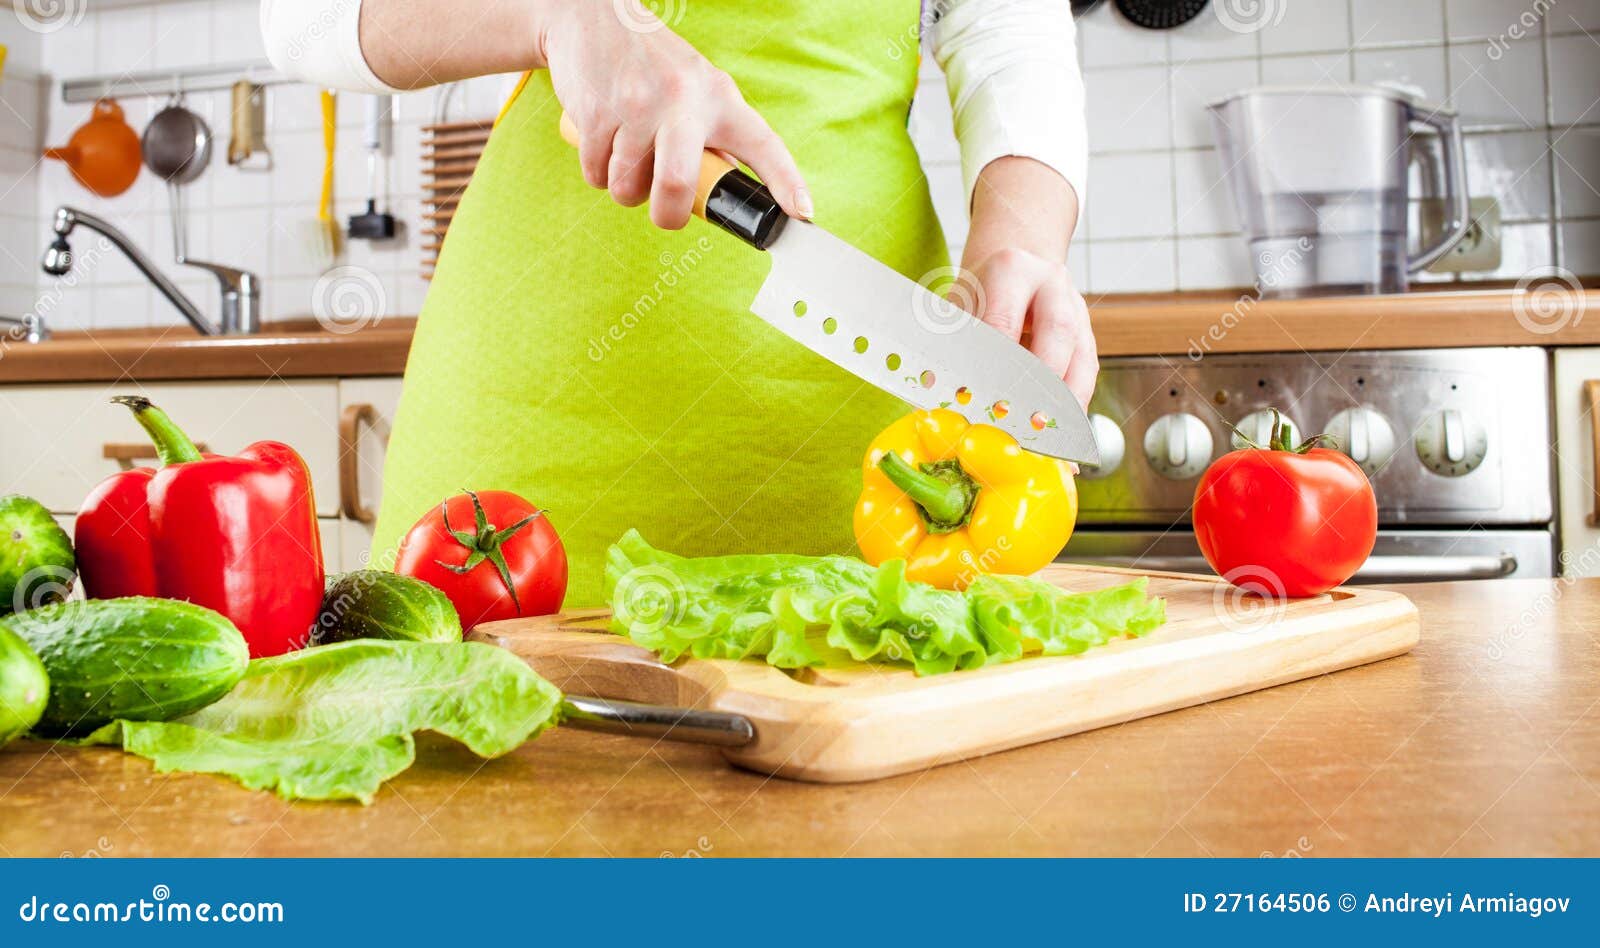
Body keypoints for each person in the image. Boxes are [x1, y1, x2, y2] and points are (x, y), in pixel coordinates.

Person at [262, 0, 1093, 606]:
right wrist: (564, 17)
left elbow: (1010, 29)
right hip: (521, 431)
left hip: (857, 440)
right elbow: (302, 21)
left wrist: (1020, 241)